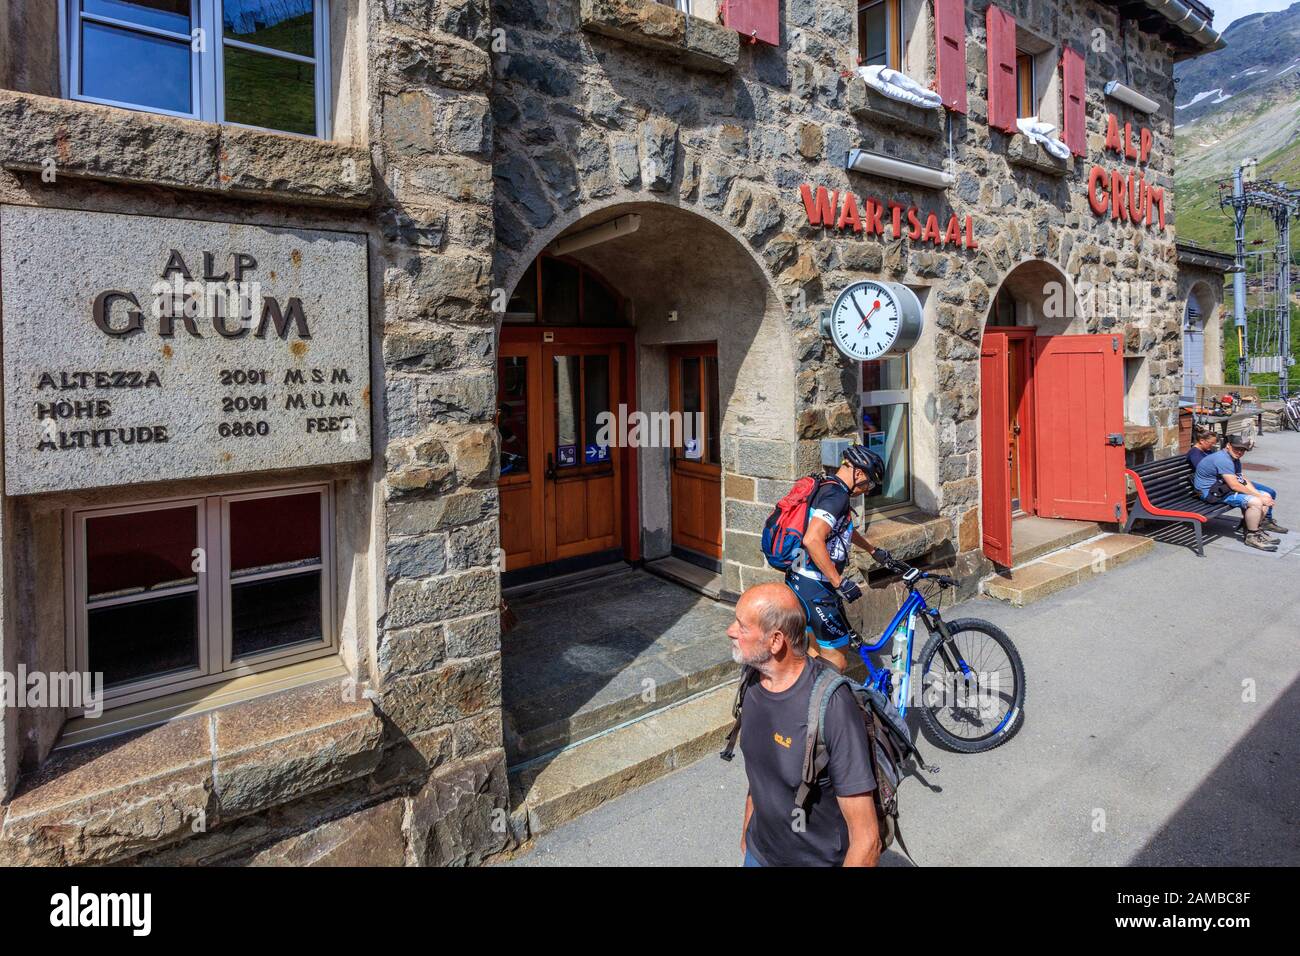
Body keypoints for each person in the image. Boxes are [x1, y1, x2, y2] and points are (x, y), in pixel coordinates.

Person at [727, 583, 879, 867]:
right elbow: (761, 768)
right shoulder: (751, 680)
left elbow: (867, 840)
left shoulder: (832, 706)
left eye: (742, 626)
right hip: (759, 853)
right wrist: (748, 833)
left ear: (775, 641)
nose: (731, 631)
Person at [784, 445, 891, 673]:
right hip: (815, 585)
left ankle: (808, 699)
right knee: (837, 658)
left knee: (812, 650)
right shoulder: (837, 496)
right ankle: (825, 705)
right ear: (858, 473)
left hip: (799, 578)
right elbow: (813, 539)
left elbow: (840, 530)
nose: (866, 489)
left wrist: (872, 550)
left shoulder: (826, 486)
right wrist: (838, 582)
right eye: (868, 483)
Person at [1192, 433, 1287, 551]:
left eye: (1243, 450)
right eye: (1237, 448)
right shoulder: (1223, 459)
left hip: (1222, 489)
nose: (1239, 452)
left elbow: (1241, 479)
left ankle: (1253, 528)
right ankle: (1252, 536)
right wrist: (1258, 496)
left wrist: (1259, 494)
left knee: (1265, 495)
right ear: (1228, 445)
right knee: (1256, 502)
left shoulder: (1234, 458)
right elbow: (1234, 485)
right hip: (1210, 493)